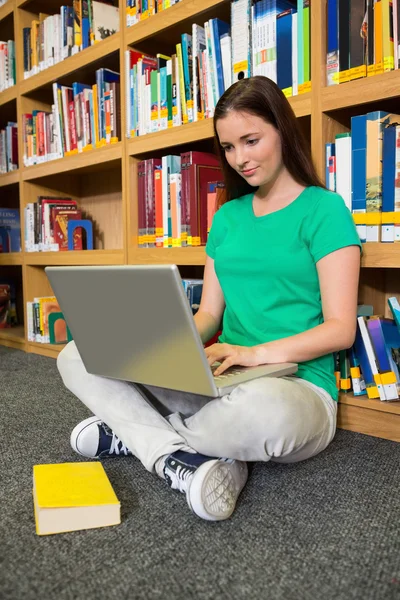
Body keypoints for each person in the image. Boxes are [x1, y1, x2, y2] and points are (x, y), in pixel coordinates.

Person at [57, 76, 361, 522]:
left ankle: (138, 433)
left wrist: (255, 354)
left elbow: (340, 328)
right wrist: (157, 340)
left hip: (295, 388)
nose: (240, 159)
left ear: (282, 128)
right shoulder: (226, 218)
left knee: (264, 416)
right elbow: (209, 314)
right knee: (76, 354)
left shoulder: (324, 210)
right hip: (221, 376)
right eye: (229, 147)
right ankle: (184, 453)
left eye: (251, 140)